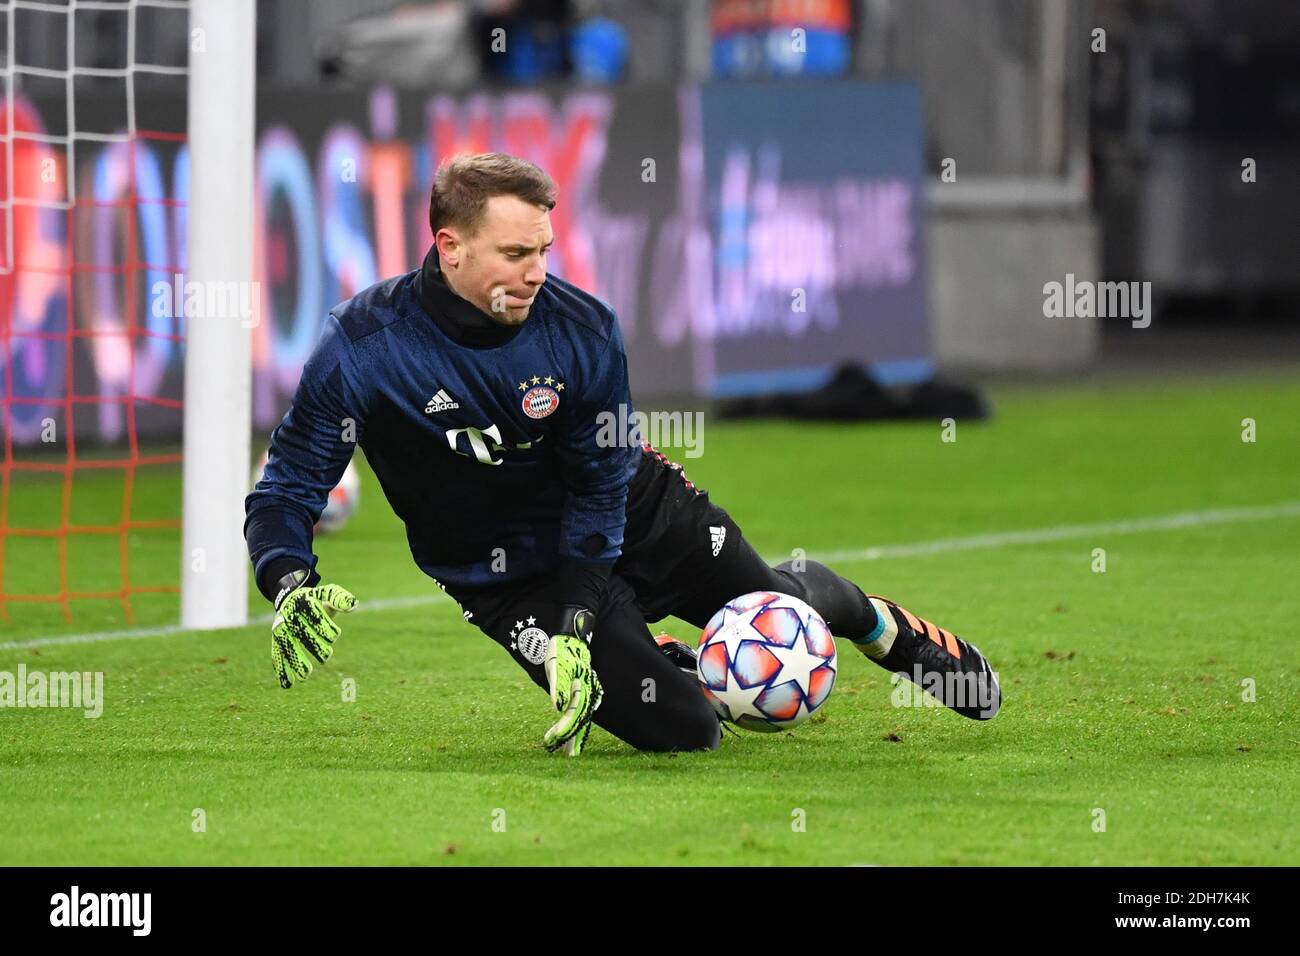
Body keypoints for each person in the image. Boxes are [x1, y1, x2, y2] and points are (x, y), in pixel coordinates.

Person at [245, 152, 1001, 757]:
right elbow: (286, 486)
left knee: (783, 616)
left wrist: (582, 613)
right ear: (450, 246)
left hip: (633, 514)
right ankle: (657, 654)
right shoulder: (366, 346)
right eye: (514, 253)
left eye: (543, 248)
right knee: (688, 731)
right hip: (507, 578)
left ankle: (863, 616)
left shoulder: (582, 329)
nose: (536, 271)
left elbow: (601, 483)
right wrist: (287, 580)